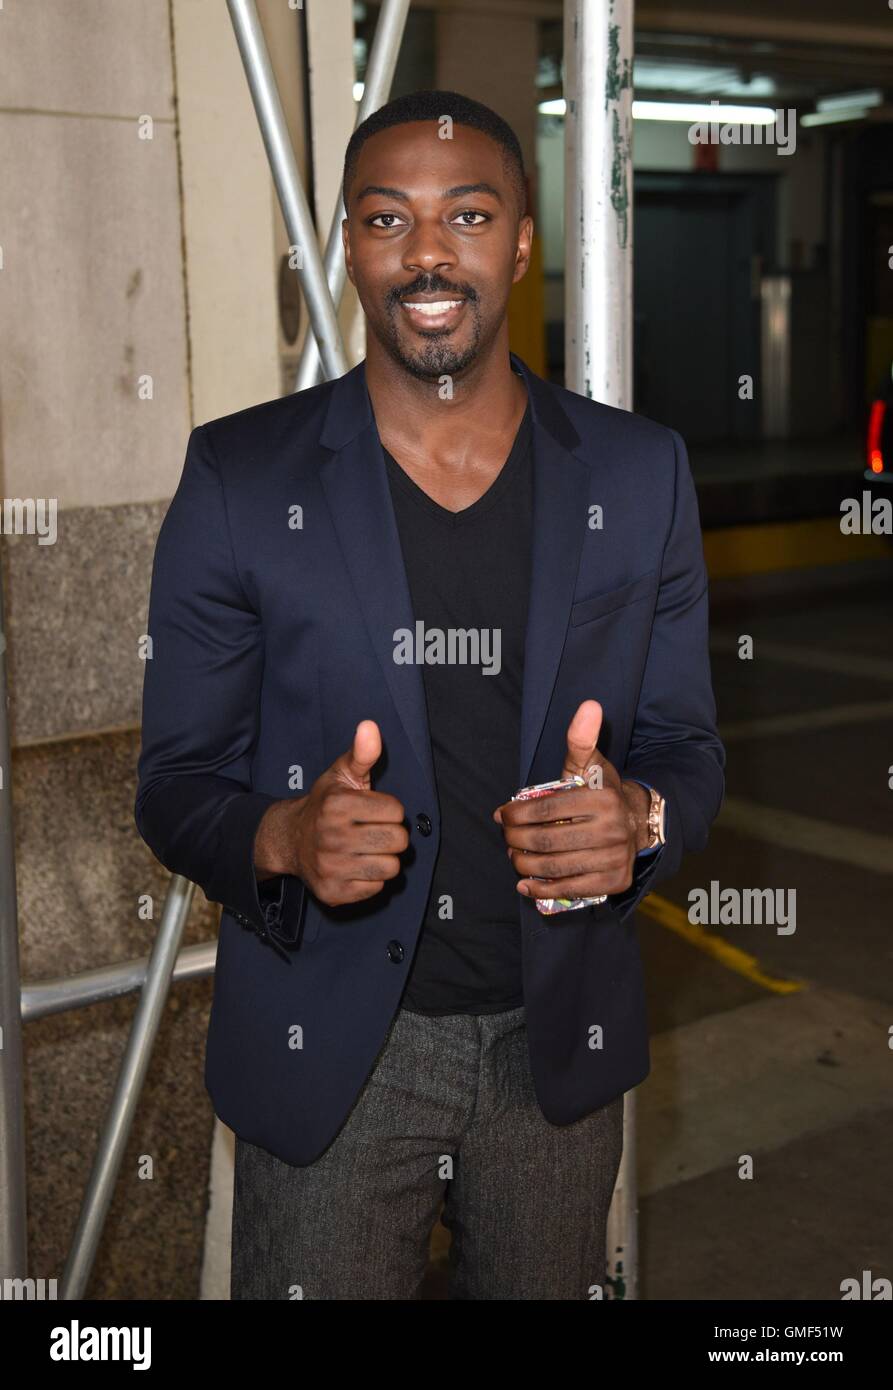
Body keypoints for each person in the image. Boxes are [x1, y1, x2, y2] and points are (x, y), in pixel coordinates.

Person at [135, 89, 724, 1300]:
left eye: (466, 213)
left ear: (518, 242)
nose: (427, 253)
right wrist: (284, 833)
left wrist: (641, 821)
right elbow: (173, 783)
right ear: (348, 244)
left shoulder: (637, 471)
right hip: (336, 1054)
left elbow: (684, 745)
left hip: (553, 1046)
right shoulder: (239, 476)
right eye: (386, 218)